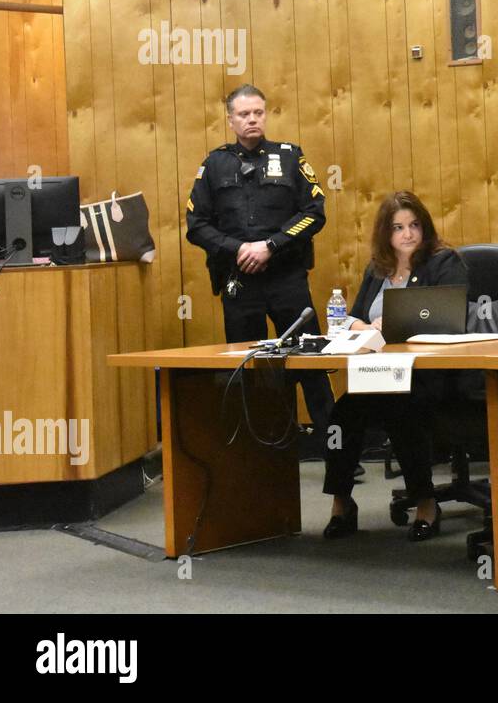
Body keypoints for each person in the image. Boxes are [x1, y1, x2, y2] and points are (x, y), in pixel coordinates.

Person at [185, 84, 334, 452]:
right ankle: (254, 449)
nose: (252, 120)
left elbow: (315, 212)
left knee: (309, 364)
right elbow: (196, 225)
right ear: (230, 119)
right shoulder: (214, 164)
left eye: (258, 113)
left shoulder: (289, 156)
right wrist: (238, 250)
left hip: (286, 278)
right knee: (246, 368)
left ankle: (338, 448)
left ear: (265, 115)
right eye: (243, 114)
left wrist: (270, 246)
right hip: (241, 282)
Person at [321, 191, 467, 541]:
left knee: (402, 408)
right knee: (341, 413)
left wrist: (398, 322)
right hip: (380, 372)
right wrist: (365, 327)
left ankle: (426, 503)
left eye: (414, 225)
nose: (408, 234)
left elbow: (449, 317)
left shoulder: (444, 262)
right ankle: (342, 503)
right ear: (386, 234)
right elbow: (352, 316)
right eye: (399, 227)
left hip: (430, 375)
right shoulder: (379, 269)